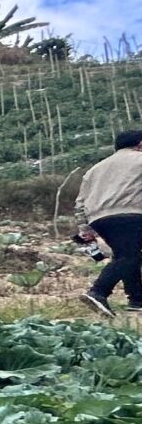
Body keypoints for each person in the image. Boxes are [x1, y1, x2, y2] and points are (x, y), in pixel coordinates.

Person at [80, 126, 142, 317]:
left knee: (126, 254)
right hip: (131, 214)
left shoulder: (94, 170)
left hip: (99, 219)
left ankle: (137, 299)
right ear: (140, 144)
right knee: (129, 256)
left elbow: (80, 201)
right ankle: (98, 291)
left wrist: (85, 227)